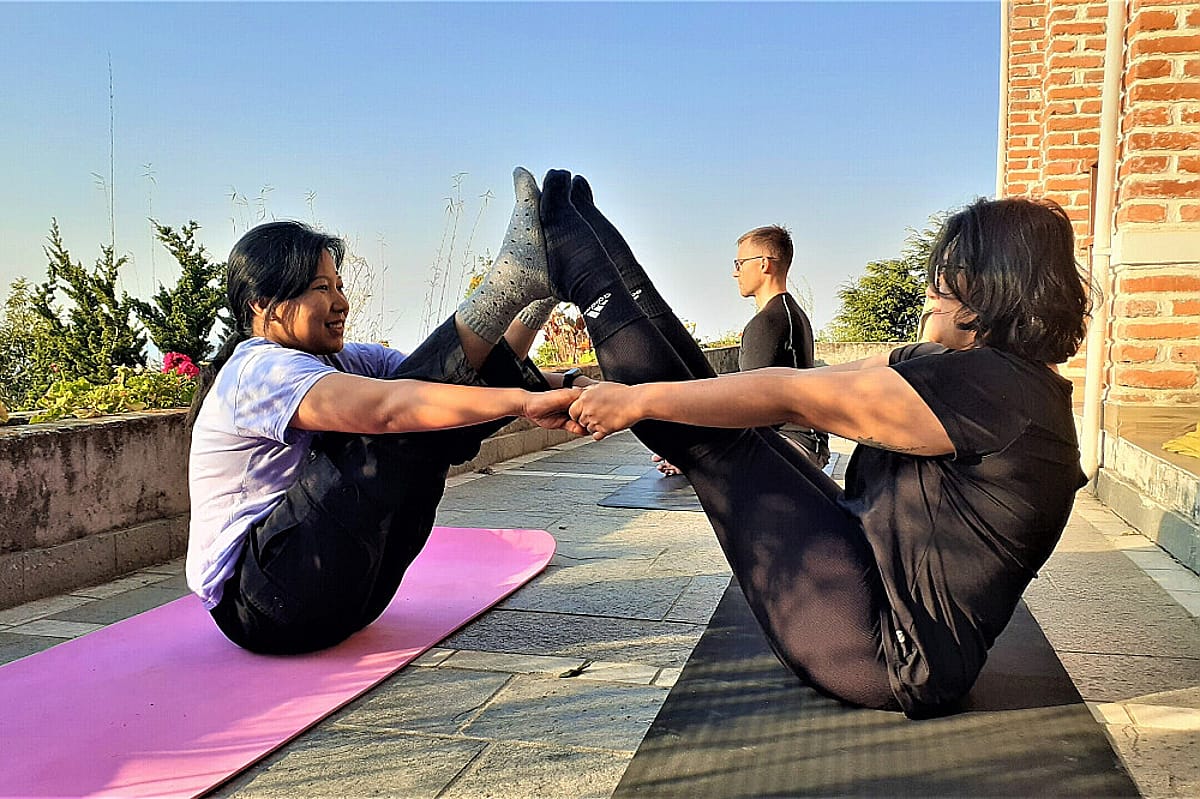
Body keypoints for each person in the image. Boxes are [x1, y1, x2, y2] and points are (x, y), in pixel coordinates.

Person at [537, 169, 1089, 717]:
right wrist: (618, 391)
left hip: (889, 652)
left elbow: (792, 396)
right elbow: (777, 388)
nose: (929, 292)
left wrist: (638, 402)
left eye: (946, 280)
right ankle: (584, 246)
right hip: (869, 575)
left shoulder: (994, 390)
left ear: (996, 288)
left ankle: (577, 262)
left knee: (718, 449)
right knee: (723, 427)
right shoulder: (975, 375)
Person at [185, 168, 587, 655]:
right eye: (320, 288)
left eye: (337, 285)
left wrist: (560, 385)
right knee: (396, 429)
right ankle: (515, 283)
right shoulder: (257, 371)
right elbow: (389, 413)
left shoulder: (339, 360)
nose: (341, 302)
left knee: (432, 410)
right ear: (265, 304)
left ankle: (532, 291)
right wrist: (523, 401)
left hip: (343, 595)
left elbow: (444, 382)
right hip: (262, 604)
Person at [653, 224, 828, 475]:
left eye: (739, 264)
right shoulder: (790, 313)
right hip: (807, 442)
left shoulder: (768, 322)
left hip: (791, 445)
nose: (735, 273)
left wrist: (694, 454)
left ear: (764, 264)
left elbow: (746, 404)